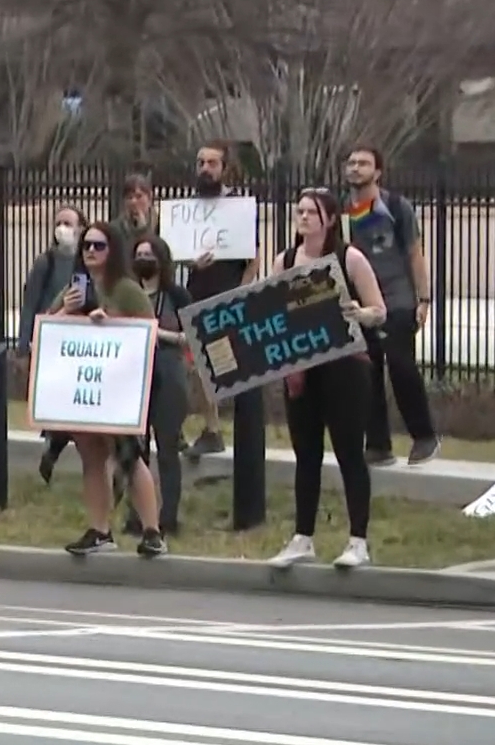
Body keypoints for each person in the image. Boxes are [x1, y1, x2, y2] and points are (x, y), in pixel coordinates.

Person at [266, 189, 390, 570]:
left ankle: (358, 541)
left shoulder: (349, 258)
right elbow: (268, 309)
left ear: (330, 218)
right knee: (307, 454)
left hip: (345, 366)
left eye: (311, 212)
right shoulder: (285, 259)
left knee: (350, 452)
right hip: (302, 368)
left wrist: (359, 313)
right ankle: (303, 537)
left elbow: (379, 311)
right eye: (299, 210)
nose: (303, 217)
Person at [52, 222, 168, 558]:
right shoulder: (77, 286)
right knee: (91, 455)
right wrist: (66, 311)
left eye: (99, 246)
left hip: (120, 387)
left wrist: (110, 321)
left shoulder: (126, 288)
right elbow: (46, 326)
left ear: (112, 250)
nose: (90, 251)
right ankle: (100, 531)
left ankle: (152, 531)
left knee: (129, 457)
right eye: (86, 245)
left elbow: (150, 332)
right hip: (86, 388)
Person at [342, 146, 440, 466]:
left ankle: (424, 436)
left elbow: (414, 253)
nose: (356, 168)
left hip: (396, 299)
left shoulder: (396, 207)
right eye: (352, 163)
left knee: (401, 366)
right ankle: (378, 444)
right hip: (359, 303)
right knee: (365, 372)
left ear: (378, 171)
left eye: (364, 163)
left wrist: (423, 299)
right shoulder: (342, 212)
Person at [182, 143, 256, 457]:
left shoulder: (237, 207)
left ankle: (247, 429)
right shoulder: (187, 210)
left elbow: (253, 257)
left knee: (232, 365)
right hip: (197, 292)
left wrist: (240, 291)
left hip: (229, 293)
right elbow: (174, 253)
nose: (205, 169)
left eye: (212, 163)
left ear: (224, 168)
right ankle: (212, 430)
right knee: (202, 366)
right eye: (200, 163)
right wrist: (189, 262)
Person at [130, 234, 192, 535]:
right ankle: (137, 514)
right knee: (134, 448)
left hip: (168, 371)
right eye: (138, 254)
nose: (143, 259)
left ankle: (169, 517)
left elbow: (190, 335)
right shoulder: (128, 293)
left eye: (149, 254)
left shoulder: (176, 294)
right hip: (134, 371)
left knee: (167, 448)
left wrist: (157, 333)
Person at [16, 204, 84, 358]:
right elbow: (29, 305)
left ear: (80, 228)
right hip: (49, 336)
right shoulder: (46, 261)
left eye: (67, 224)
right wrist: (23, 345)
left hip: (77, 338)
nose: (61, 228)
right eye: (58, 224)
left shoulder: (86, 261)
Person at [121, 175, 159, 243]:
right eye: (129, 197)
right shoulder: (117, 229)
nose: (133, 201)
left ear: (149, 198)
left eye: (139, 196)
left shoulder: (162, 224)